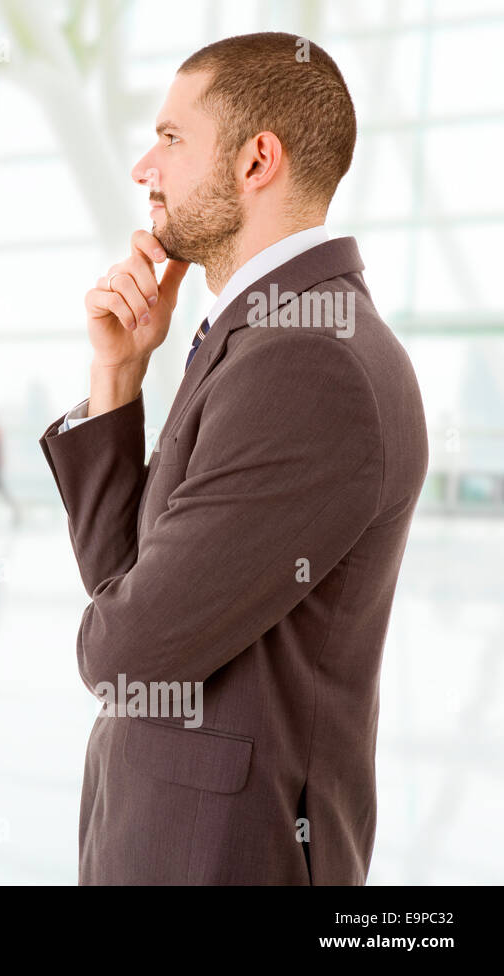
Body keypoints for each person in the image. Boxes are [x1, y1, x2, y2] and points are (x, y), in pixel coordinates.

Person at [37, 32, 427, 885]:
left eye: (172, 138)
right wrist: (117, 375)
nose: (145, 166)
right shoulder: (264, 338)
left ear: (257, 161)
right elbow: (128, 581)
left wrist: (117, 638)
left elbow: (124, 652)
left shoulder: (305, 359)